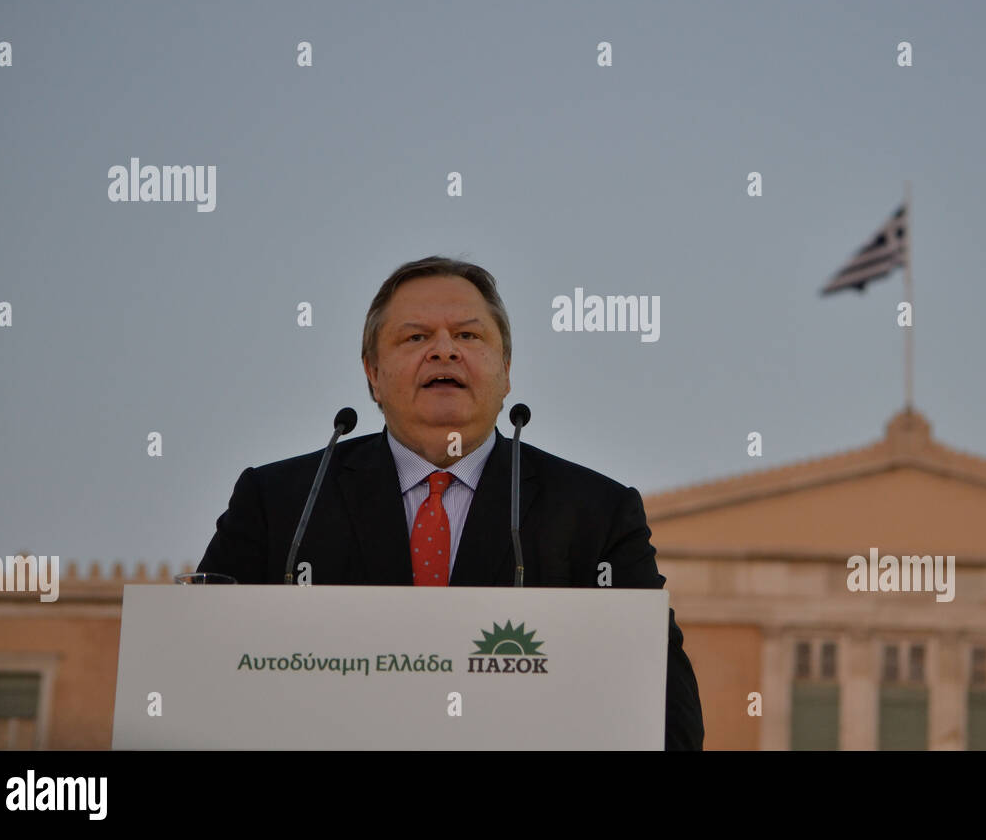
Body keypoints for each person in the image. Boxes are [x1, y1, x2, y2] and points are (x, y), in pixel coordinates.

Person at [198, 255, 704, 750]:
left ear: (505, 371)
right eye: (416, 337)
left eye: (468, 335)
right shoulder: (282, 502)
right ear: (372, 372)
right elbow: (202, 670)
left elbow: (665, 711)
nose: (444, 351)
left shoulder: (595, 511)